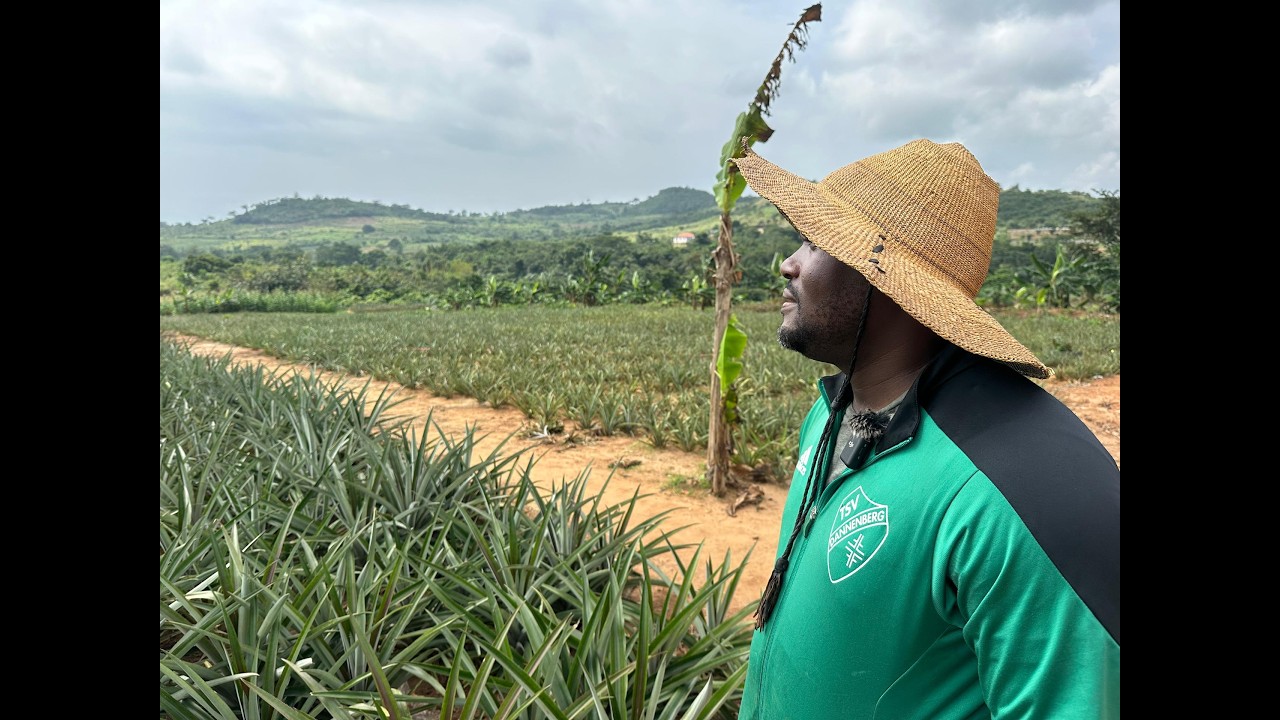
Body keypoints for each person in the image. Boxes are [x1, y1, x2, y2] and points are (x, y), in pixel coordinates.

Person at [729, 138, 1120, 719]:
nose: (789, 263)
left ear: (885, 279)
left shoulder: (1023, 492)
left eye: (816, 242)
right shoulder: (834, 408)